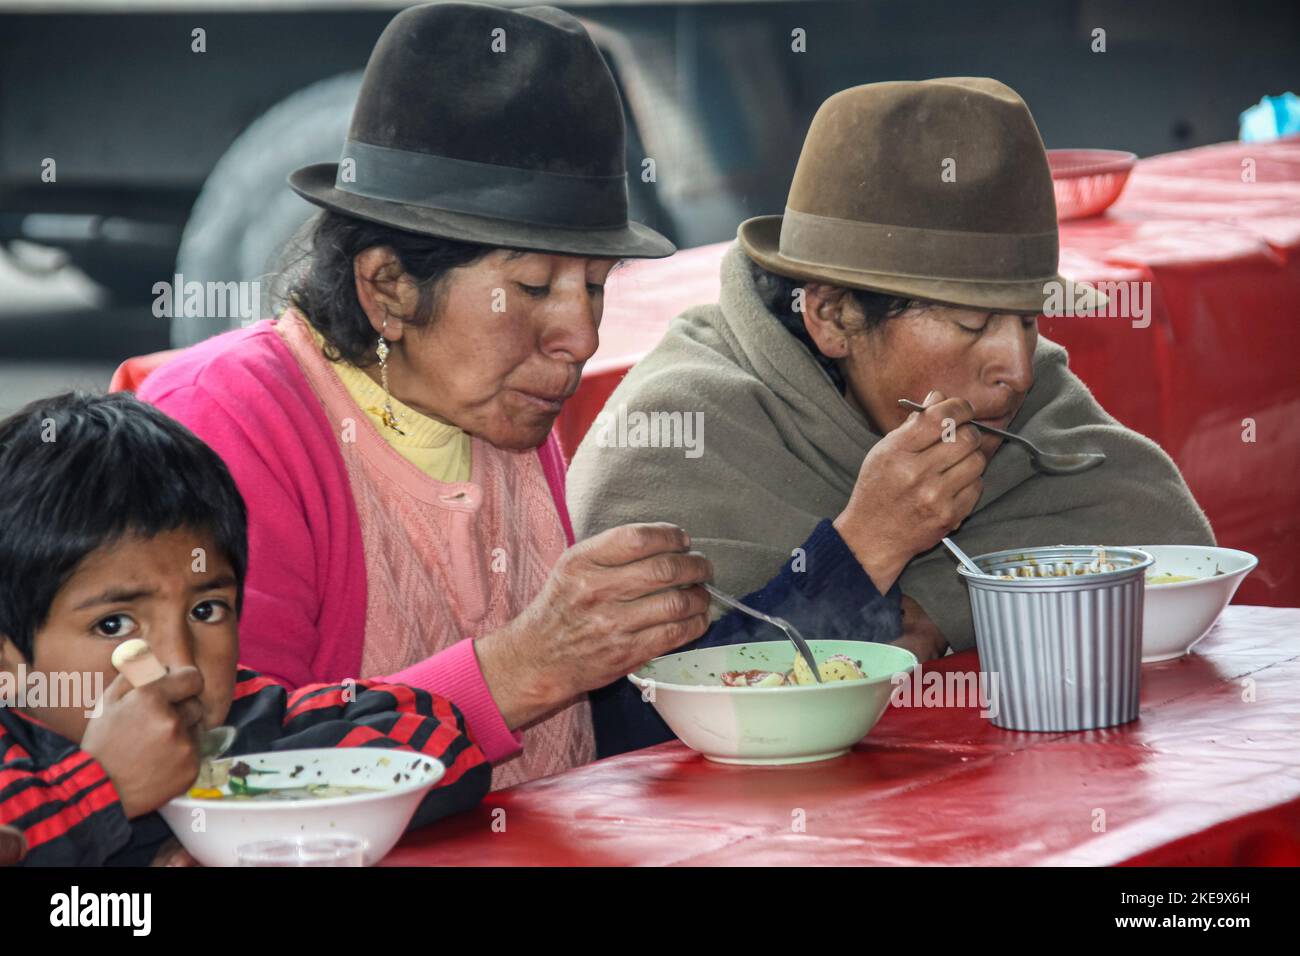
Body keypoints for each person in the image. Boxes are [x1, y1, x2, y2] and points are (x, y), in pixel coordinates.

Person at [138, 2, 714, 789]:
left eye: (594, 287)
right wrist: (524, 668)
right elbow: (215, 766)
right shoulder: (229, 423)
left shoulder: (499, 402)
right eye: (534, 286)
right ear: (388, 288)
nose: (579, 338)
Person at [567, 78, 1214, 756]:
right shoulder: (686, 425)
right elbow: (633, 719)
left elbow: (1161, 537)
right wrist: (867, 543)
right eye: (971, 323)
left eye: (1028, 319)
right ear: (833, 316)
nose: (1017, 367)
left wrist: (939, 603)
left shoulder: (1012, 382)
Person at [0, 392, 490, 866]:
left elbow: (443, 744)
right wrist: (105, 789)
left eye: (207, 610)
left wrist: (248, 802)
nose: (181, 662)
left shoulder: (243, 716)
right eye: (114, 624)